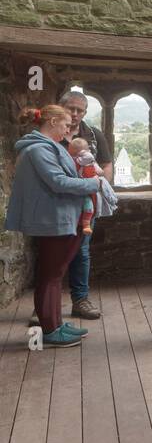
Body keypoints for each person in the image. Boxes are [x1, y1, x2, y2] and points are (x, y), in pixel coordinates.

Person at [6, 106, 111, 347]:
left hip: (61, 217)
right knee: (50, 275)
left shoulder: (45, 147)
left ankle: (55, 323)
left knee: (54, 274)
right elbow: (57, 181)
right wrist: (93, 184)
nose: (68, 130)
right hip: (52, 219)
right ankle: (51, 330)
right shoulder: (38, 149)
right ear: (52, 122)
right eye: (65, 125)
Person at [60, 91, 112, 321]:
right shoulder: (52, 133)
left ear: (85, 113)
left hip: (86, 204)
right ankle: (45, 303)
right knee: (51, 250)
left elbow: (107, 164)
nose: (74, 114)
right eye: (70, 108)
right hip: (57, 203)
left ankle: (80, 300)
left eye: (79, 110)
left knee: (81, 251)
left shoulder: (93, 134)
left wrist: (101, 187)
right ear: (61, 107)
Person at [67, 136, 99, 235]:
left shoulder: (82, 160)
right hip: (80, 189)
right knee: (87, 207)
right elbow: (89, 157)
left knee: (88, 206)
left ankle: (86, 225)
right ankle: (85, 224)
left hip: (84, 190)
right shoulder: (79, 160)